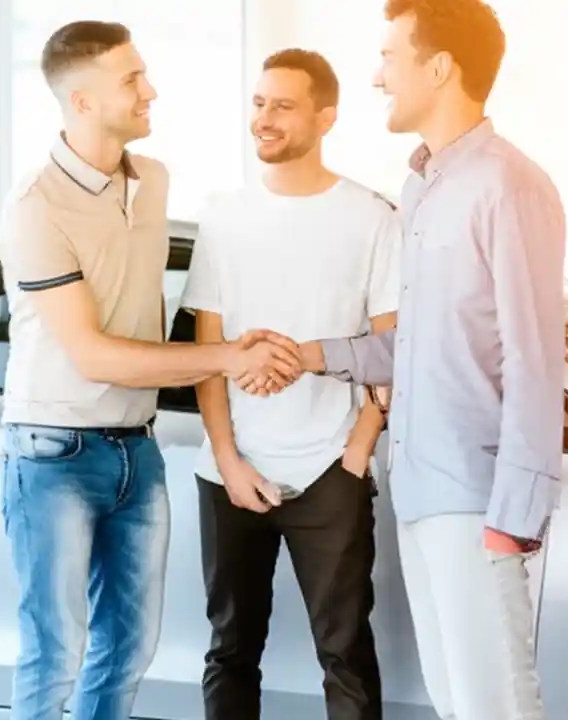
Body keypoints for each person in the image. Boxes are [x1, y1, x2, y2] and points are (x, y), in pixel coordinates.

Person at [240, 2, 566, 717]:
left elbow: (537, 362)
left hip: (479, 500)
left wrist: (514, 516)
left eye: (390, 57)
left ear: (440, 67)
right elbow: (417, 344)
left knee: (497, 704)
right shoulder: (423, 186)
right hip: (422, 491)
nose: (378, 76)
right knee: (456, 704)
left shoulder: (509, 185)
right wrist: (311, 355)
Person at [0, 21, 299, 720]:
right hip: (52, 451)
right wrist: (229, 356)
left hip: (137, 448)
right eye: (132, 80)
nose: (150, 91)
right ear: (82, 101)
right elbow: (97, 355)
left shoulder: (152, 181)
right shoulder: (35, 206)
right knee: (54, 651)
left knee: (128, 646)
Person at [180, 49, 402, 720]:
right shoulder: (222, 215)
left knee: (346, 655)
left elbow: (390, 345)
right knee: (230, 652)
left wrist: (356, 454)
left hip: (331, 468)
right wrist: (226, 457)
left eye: (282, 105)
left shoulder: (372, 216)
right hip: (231, 473)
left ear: (324, 116)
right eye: (258, 103)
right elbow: (207, 348)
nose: (264, 118)